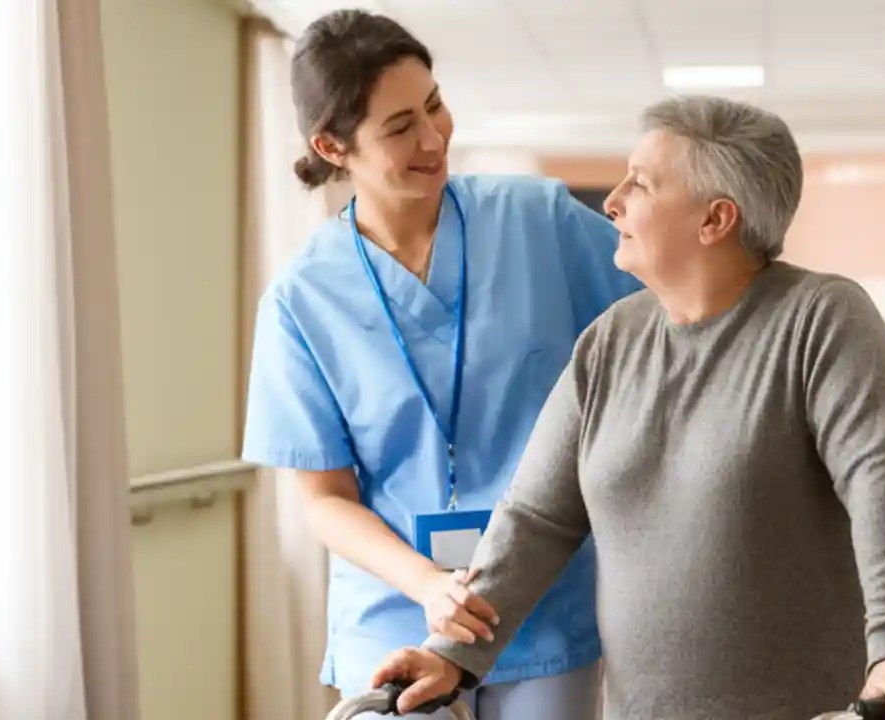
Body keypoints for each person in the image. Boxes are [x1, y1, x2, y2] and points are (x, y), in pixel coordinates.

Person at [371, 95, 885, 720]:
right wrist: (452, 656)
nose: (614, 200)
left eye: (641, 184)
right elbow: (537, 519)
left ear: (715, 220)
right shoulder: (609, 342)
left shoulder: (823, 320)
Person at [240, 9, 640, 720]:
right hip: (395, 607)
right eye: (399, 128)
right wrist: (426, 582)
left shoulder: (538, 222)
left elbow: (666, 319)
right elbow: (324, 498)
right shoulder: (303, 300)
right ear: (333, 145)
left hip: (537, 604)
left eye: (434, 106)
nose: (433, 138)